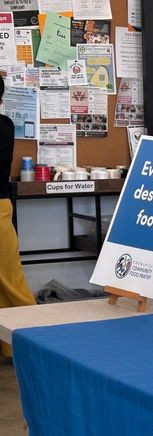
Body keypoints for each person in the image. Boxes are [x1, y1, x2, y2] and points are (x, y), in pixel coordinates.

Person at [0, 77, 36, 357]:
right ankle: (10, 346)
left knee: (9, 278)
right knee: (7, 277)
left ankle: (35, 339)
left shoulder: (3, 125)